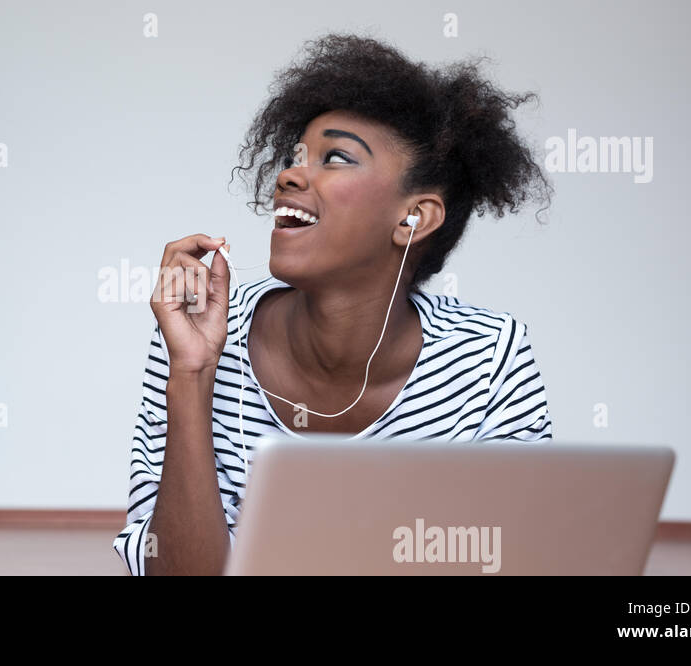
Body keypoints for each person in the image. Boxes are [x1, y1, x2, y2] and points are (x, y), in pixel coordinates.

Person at [115, 33, 554, 576]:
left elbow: (515, 559)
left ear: (414, 218)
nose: (288, 176)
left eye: (336, 158)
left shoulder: (490, 358)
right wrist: (192, 372)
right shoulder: (201, 333)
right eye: (294, 157)